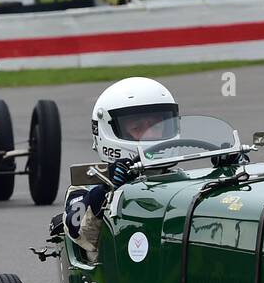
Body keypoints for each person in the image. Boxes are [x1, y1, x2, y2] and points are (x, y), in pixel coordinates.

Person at [64, 77, 180, 261]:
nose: (151, 134)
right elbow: (76, 228)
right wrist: (106, 191)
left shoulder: (181, 183)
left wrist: (230, 169)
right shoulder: (87, 188)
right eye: (138, 127)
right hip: (117, 275)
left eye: (157, 125)